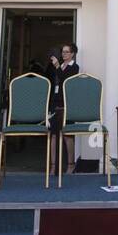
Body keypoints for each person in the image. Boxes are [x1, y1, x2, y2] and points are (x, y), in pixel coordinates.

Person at [45, 43, 81, 173]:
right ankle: (53, 166)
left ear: (72, 54)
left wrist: (56, 66)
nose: (63, 54)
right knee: (53, 134)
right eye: (63, 52)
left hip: (66, 102)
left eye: (66, 52)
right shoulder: (59, 66)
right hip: (55, 101)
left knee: (67, 134)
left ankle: (71, 165)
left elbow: (65, 79)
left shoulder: (75, 67)